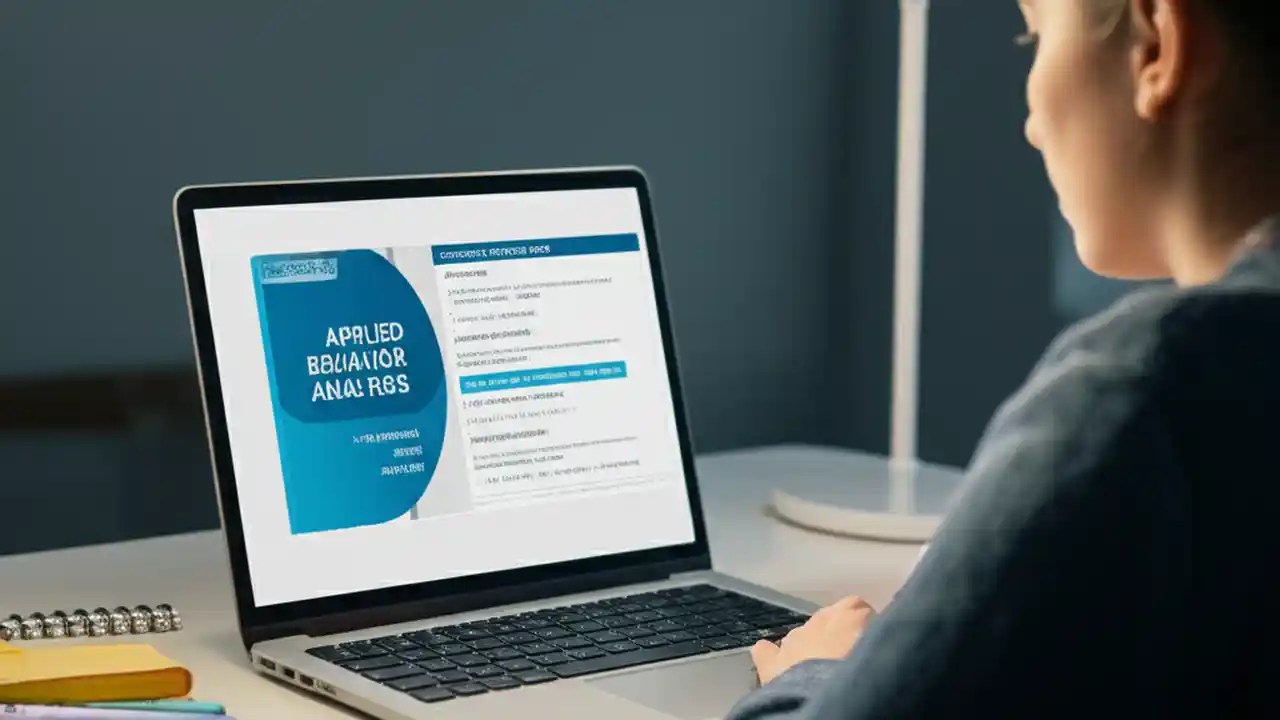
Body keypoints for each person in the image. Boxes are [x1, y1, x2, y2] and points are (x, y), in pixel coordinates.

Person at [728, 0, 1280, 717]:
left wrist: (817, 675)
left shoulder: (1144, 397)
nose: (1030, 122)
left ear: (1158, 47)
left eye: (1037, 36)